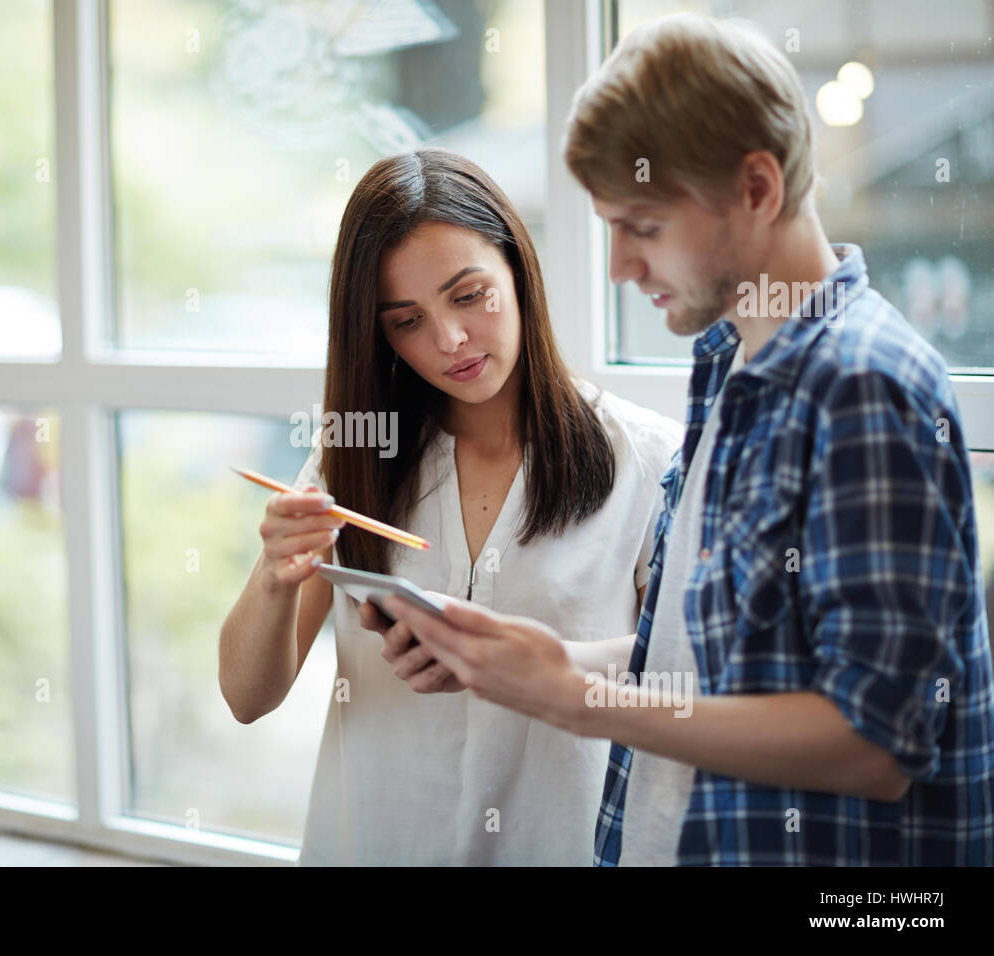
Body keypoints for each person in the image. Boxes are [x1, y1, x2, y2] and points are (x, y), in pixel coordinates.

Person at [377, 13, 994, 866]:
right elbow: (718, 664)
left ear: (756, 188)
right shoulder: (731, 363)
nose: (621, 267)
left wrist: (575, 700)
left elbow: (875, 745)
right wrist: (545, 659)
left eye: (644, 226)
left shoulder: (863, 388)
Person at [218, 148, 683, 865]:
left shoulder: (647, 461)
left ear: (517, 270)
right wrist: (277, 570)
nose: (449, 341)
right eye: (406, 321)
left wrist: (536, 663)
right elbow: (247, 697)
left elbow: (689, 676)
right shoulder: (353, 459)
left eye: (469, 296)